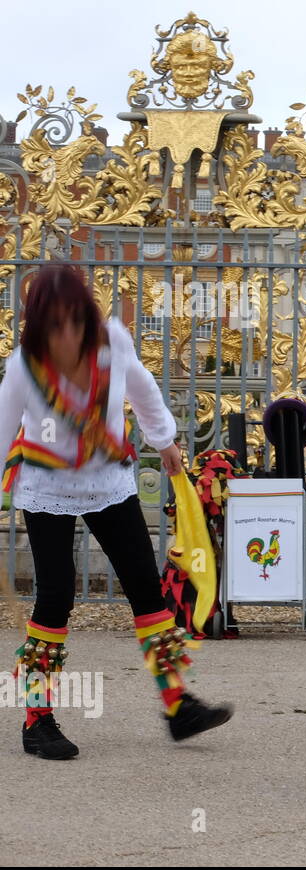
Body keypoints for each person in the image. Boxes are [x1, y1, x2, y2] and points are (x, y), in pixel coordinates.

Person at [0, 263, 232, 759]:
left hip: (107, 481)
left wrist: (164, 440)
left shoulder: (114, 344)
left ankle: (177, 705)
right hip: (47, 486)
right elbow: (3, 430)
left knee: (146, 588)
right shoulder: (25, 365)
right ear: (39, 325)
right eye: (55, 325)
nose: (67, 334)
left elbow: (143, 390)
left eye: (75, 322)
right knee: (56, 597)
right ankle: (37, 719)